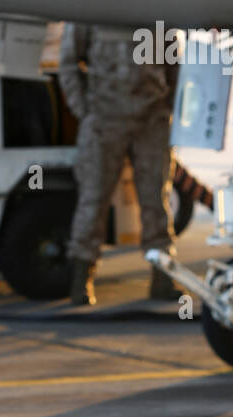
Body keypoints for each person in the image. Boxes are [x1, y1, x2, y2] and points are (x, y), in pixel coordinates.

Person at [59, 23, 180, 306]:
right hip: (104, 118)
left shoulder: (155, 1)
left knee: (155, 199)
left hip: (151, 117)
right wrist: (86, 112)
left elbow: (173, 63)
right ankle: (81, 277)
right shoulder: (90, 7)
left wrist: (168, 109)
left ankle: (162, 275)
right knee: (93, 199)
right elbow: (68, 62)